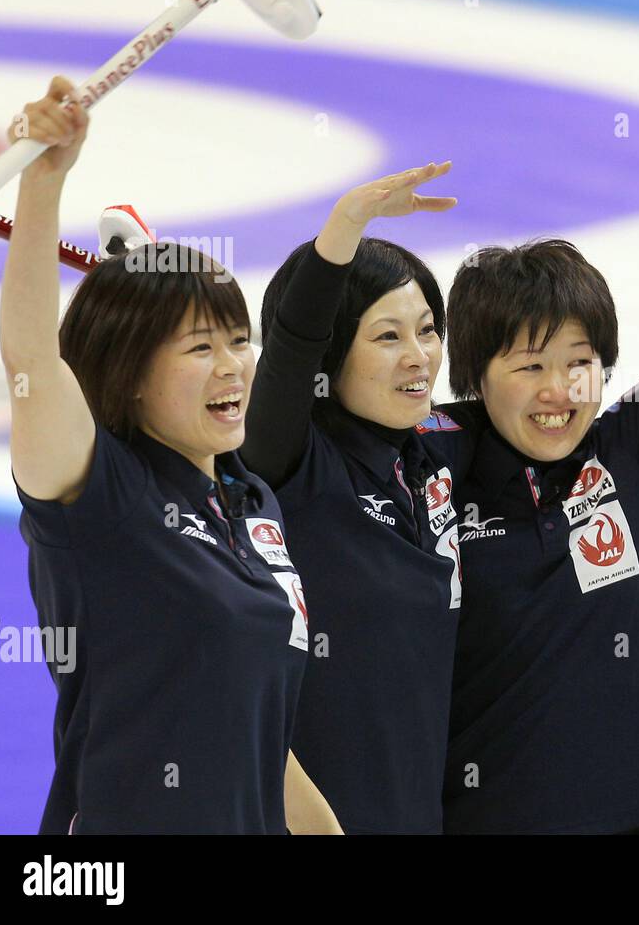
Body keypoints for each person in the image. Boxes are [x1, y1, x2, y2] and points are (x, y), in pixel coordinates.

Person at [439, 36, 639, 834]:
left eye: (580, 363)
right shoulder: (426, 469)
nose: (560, 391)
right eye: (530, 366)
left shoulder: (636, 451)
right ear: (476, 374)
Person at [2, 77, 338, 833]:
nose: (235, 367)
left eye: (238, 340)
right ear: (130, 373)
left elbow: (258, 731)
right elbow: (32, 361)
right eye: (200, 348)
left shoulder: (251, 501)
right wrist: (43, 182)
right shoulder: (98, 495)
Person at [242, 163, 469, 834]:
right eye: (388, 336)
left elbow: (546, 421)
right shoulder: (288, 463)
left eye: (427, 329)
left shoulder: (436, 454)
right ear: (331, 355)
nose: (419, 356)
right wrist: (345, 226)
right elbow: (292, 348)